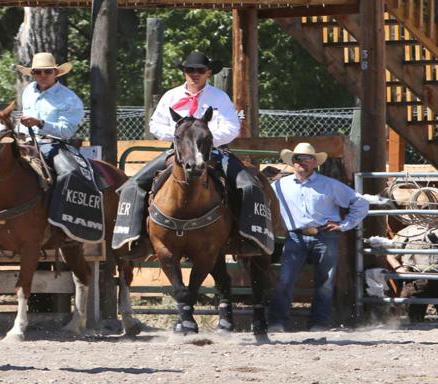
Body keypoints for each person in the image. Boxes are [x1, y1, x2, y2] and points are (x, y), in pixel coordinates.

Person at [124, 50, 253, 221]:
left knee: (249, 185)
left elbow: (232, 127)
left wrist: (204, 139)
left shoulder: (220, 97)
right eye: (190, 70)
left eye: (200, 70)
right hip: (177, 152)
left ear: (209, 72)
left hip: (215, 152)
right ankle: (133, 234)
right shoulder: (171, 96)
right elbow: (155, 124)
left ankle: (248, 234)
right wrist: (181, 137)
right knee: (133, 184)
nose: (195, 74)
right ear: (184, 72)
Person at [267, 142, 367, 332]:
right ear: (292, 162)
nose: (302, 162)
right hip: (295, 236)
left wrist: (345, 225)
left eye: (307, 158)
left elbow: (360, 202)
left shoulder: (329, 185)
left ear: (315, 162)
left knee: (325, 283)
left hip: (325, 235)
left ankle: (317, 323)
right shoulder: (279, 186)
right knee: (285, 281)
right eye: (298, 158)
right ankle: (278, 322)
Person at [14, 51, 83, 162]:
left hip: (54, 146)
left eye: (47, 71)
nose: (43, 75)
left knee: (69, 172)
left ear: (55, 72)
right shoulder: (28, 90)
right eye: (37, 72)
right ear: (32, 74)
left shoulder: (69, 98)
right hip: (22, 143)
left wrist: (40, 123)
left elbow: (67, 132)